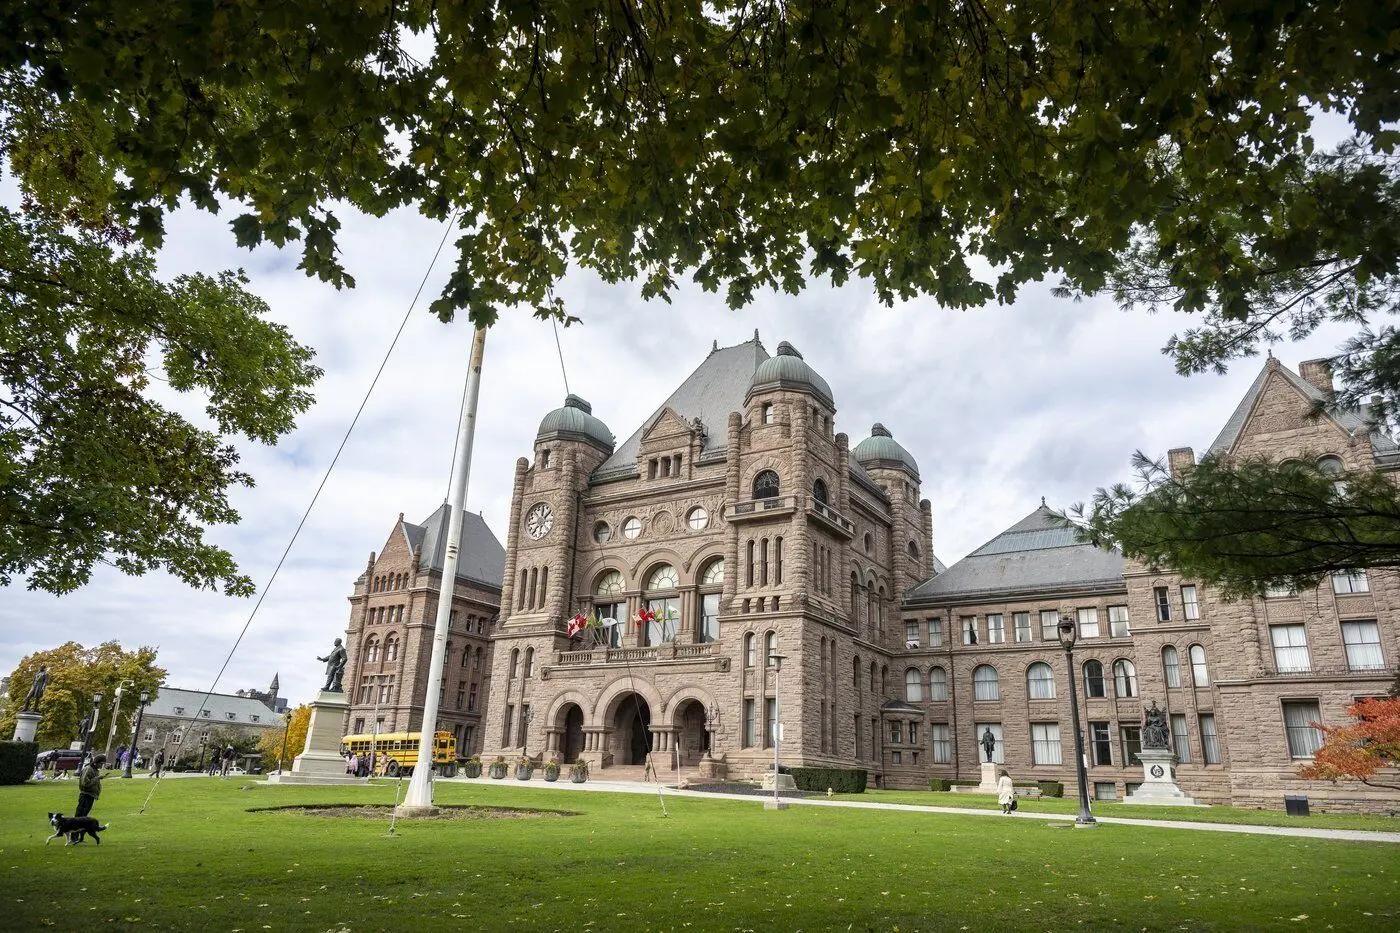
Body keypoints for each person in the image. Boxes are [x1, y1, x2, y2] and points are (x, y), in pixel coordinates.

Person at [76, 754, 106, 819]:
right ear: (96, 763)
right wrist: (97, 778)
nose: (101, 766)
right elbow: (85, 783)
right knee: (80, 815)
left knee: (84, 815)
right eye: (101, 764)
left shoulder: (95, 770)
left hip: (91, 795)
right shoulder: (88, 769)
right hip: (85, 795)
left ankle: (81, 827)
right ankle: (76, 828)